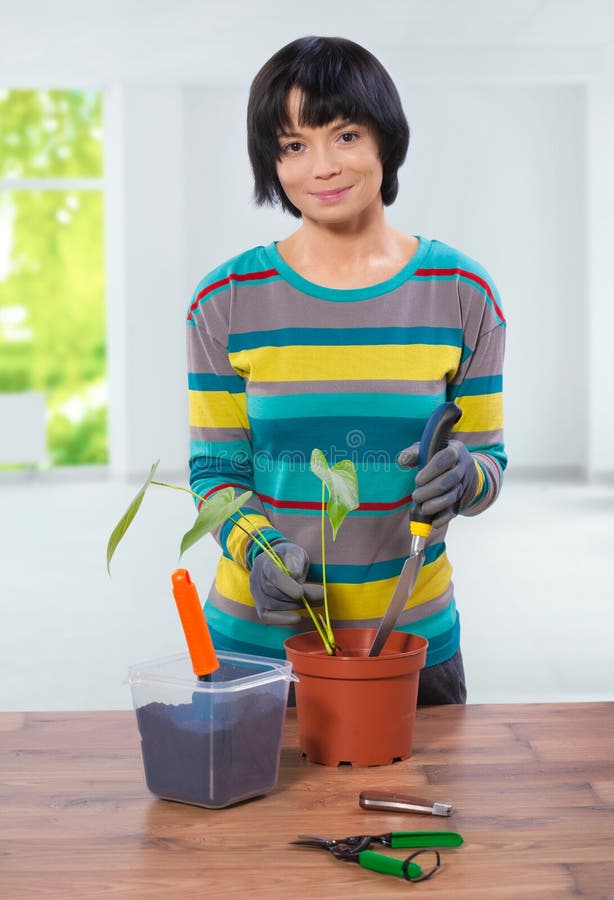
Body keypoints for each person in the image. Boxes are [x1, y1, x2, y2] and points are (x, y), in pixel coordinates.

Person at [186, 36, 506, 705]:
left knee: (428, 784)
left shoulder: (462, 292)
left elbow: (487, 464)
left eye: (346, 135)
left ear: (385, 139)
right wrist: (259, 551)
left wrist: (465, 477)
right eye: (293, 145)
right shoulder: (225, 300)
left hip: (408, 645)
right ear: (272, 162)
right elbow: (216, 474)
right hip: (258, 652)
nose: (323, 167)